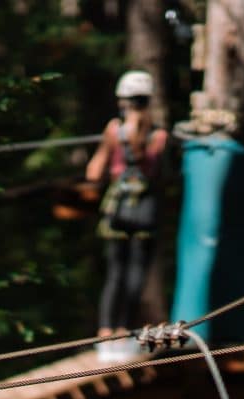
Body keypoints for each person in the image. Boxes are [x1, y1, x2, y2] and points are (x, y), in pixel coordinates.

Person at [86, 69, 168, 358]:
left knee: (115, 272)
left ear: (123, 101)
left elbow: (94, 170)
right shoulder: (159, 136)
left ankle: (105, 333)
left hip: (118, 210)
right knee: (136, 273)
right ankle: (123, 332)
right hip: (145, 212)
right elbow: (159, 175)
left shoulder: (113, 131)